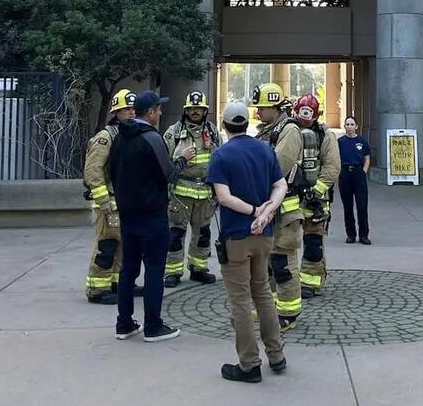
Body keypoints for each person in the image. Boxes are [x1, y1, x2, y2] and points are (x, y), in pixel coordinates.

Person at [206, 101, 288, 383]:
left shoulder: (221, 155)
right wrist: (267, 212)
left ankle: (249, 364)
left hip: (236, 237)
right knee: (263, 293)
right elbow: (281, 186)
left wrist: (254, 212)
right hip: (263, 236)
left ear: (225, 124)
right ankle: (276, 356)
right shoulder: (265, 150)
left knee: (239, 301)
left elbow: (224, 197)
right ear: (248, 122)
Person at [109, 90, 186, 342]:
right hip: (152, 216)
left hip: (128, 215)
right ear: (150, 112)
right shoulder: (152, 138)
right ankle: (153, 326)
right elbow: (170, 174)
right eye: (158, 109)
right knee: (154, 268)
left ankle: (124, 324)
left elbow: (113, 173)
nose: (161, 112)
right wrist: (183, 160)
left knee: (128, 268)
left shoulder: (120, 137)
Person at [251, 82, 304, 331]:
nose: (257, 113)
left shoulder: (290, 130)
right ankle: (270, 309)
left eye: (262, 108)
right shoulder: (269, 130)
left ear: (275, 106)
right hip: (272, 209)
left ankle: (288, 314)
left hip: (287, 211)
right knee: (269, 261)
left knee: (283, 262)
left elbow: (277, 167)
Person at [162, 90, 221, 287]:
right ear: (186, 110)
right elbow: (164, 163)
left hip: (205, 192)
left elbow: (220, 159)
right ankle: (172, 271)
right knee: (175, 234)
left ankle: (199, 268)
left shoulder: (213, 132)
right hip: (180, 193)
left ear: (205, 111)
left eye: (199, 108)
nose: (195, 111)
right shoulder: (173, 132)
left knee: (203, 234)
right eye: (192, 108)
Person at [82, 88, 136, 304]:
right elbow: (92, 171)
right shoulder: (106, 137)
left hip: (124, 202)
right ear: (116, 112)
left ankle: (115, 283)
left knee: (122, 247)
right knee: (107, 246)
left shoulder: (127, 135)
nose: (132, 113)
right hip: (109, 202)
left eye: (133, 109)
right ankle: (97, 289)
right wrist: (104, 201)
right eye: (126, 109)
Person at [292, 94, 341, 299]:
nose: (304, 120)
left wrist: (317, 190)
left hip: (316, 200)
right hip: (290, 197)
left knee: (313, 242)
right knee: (285, 241)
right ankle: (287, 279)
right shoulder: (288, 131)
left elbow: (332, 167)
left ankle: (310, 282)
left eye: (308, 116)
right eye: (300, 115)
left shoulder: (325, 135)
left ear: (316, 115)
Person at [337, 116, 371, 244]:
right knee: (348, 207)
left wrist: (364, 172)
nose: (350, 127)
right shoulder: (340, 142)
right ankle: (351, 234)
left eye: (352, 124)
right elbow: (336, 158)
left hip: (358, 174)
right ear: (344, 126)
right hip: (345, 174)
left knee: (362, 206)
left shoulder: (362, 141)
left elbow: (367, 158)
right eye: (347, 124)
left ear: (356, 126)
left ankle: (363, 235)